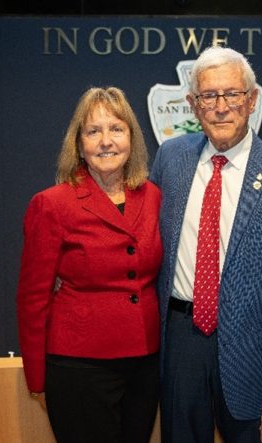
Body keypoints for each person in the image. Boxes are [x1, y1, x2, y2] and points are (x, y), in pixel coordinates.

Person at [150, 46, 262, 443]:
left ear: (252, 100)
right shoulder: (170, 159)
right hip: (181, 342)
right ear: (194, 105)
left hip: (254, 354)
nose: (222, 107)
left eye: (232, 94)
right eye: (209, 97)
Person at [17, 86, 162, 443]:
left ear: (132, 138)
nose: (106, 141)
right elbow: (32, 298)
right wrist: (37, 376)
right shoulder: (51, 204)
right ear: (79, 144)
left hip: (144, 365)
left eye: (116, 129)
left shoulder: (153, 195)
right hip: (79, 366)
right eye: (93, 131)